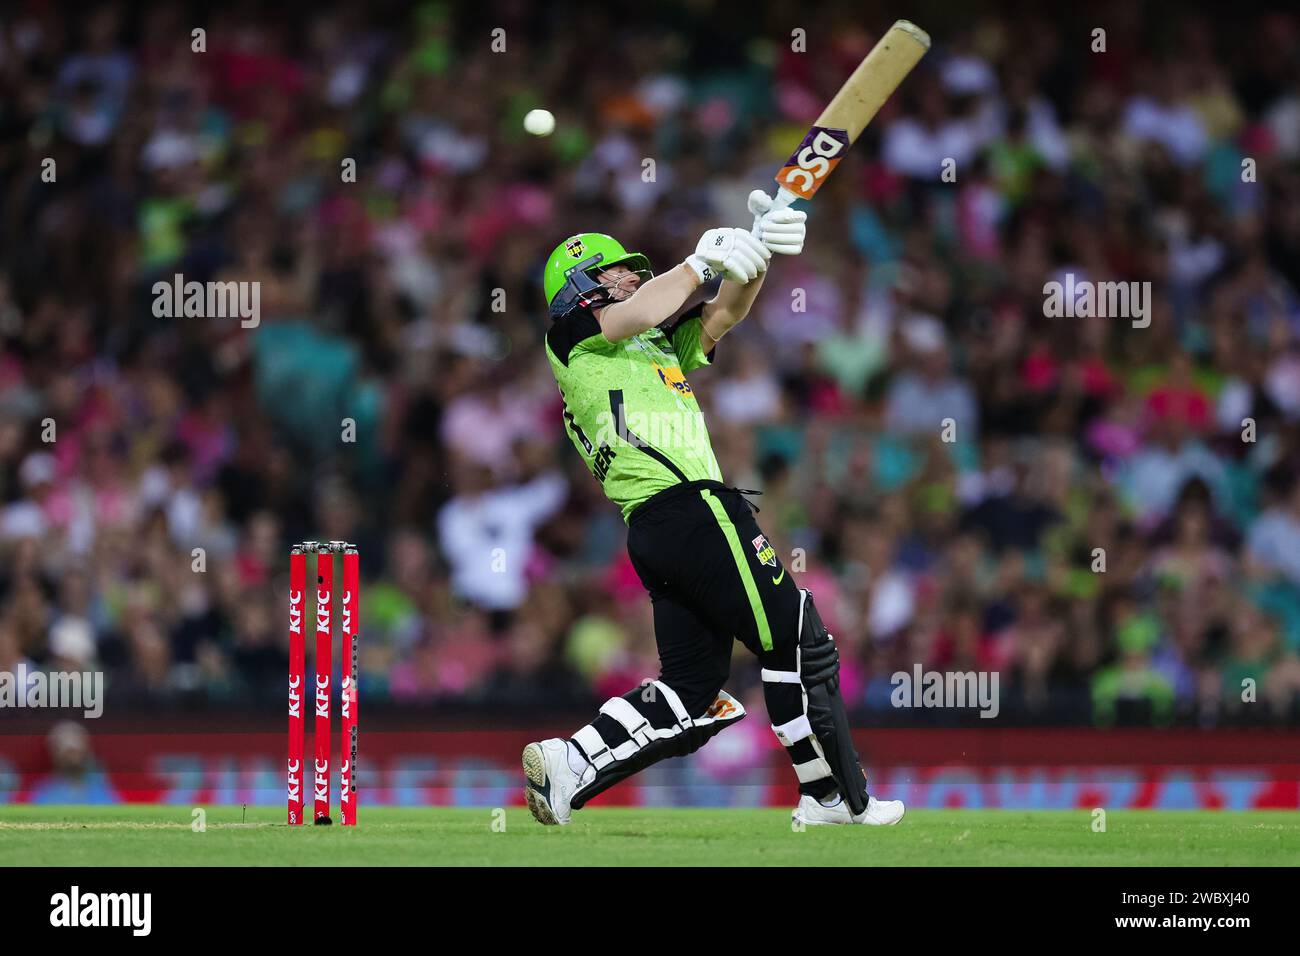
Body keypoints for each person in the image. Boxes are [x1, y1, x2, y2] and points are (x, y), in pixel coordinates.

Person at [523, 190, 905, 827]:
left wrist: (753, 255)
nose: (632, 274)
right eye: (615, 270)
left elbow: (725, 312)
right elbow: (646, 305)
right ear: (580, 288)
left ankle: (570, 762)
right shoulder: (572, 338)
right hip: (694, 510)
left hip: (658, 530)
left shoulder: (653, 342)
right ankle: (838, 796)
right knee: (799, 636)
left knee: (693, 693)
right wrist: (702, 259)